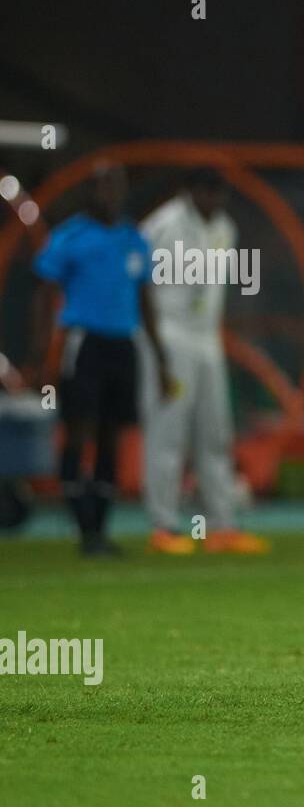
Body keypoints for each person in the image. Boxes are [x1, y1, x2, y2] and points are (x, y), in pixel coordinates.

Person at [31, 162, 174, 556]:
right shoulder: (70, 236)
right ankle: (83, 524)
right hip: (84, 343)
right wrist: (42, 350)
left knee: (112, 435)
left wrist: (159, 356)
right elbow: (44, 293)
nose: (110, 193)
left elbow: (145, 299)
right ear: (90, 191)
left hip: (123, 344)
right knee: (79, 430)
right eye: (103, 185)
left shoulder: (133, 238)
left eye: (116, 185)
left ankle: (100, 525)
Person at [138, 169, 268, 554]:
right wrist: (156, 352)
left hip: (208, 339)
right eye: (205, 192)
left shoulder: (225, 229)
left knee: (215, 433)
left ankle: (222, 526)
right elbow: (140, 285)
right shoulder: (162, 225)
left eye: (218, 193)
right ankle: (163, 525)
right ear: (189, 191)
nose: (213, 200)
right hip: (169, 335)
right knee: (167, 432)